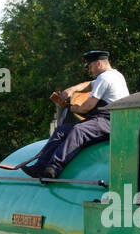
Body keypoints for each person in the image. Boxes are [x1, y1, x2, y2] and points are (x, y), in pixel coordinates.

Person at [21, 50, 128, 179]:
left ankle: (54, 168)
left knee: (79, 130)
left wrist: (71, 108)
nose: (89, 70)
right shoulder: (114, 75)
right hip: (103, 120)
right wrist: (72, 89)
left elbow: (87, 107)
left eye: (90, 66)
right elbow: (89, 84)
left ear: (99, 63)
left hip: (111, 121)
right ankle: (39, 167)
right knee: (61, 131)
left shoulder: (105, 77)